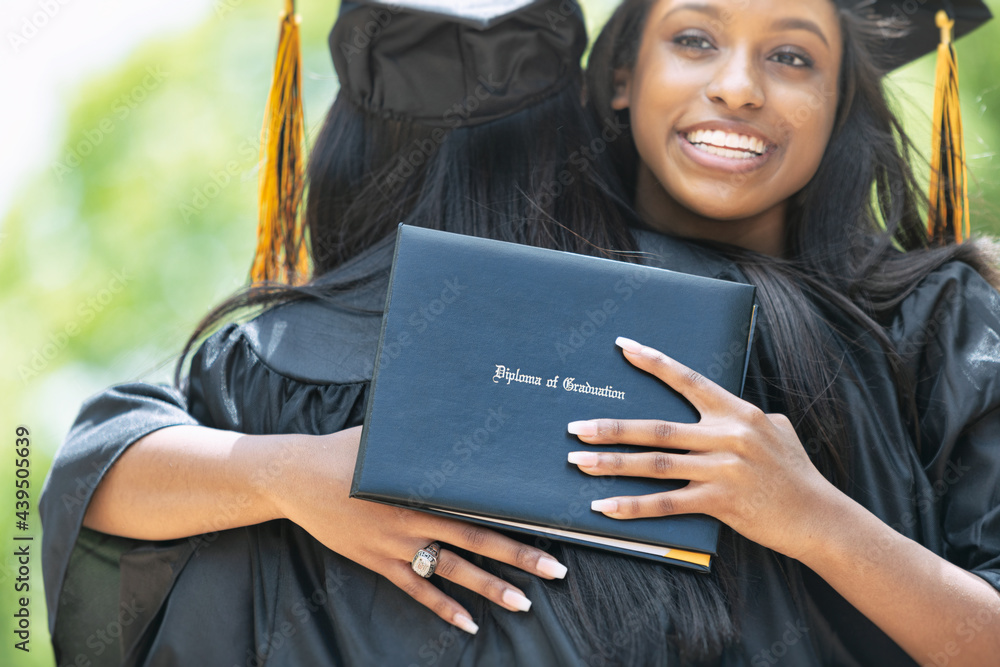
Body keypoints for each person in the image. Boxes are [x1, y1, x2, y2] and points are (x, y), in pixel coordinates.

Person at [41, 0, 1000, 666]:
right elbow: (104, 461)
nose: (740, 88)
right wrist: (292, 472)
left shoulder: (934, 324)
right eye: (696, 38)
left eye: (792, 54)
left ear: (845, 100)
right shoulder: (485, 333)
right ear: (616, 81)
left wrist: (817, 519)